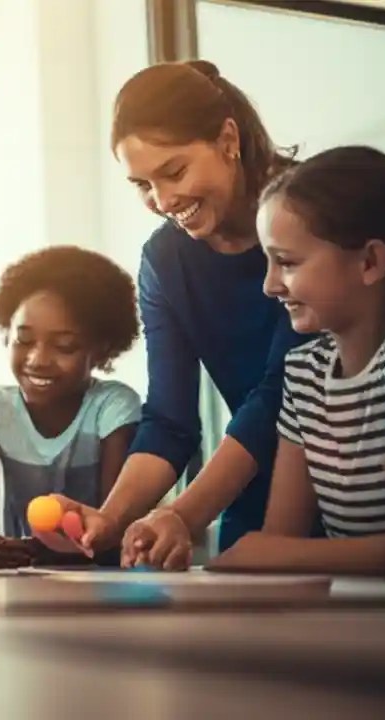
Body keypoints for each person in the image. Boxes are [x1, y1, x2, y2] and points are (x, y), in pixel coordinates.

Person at [54, 60, 313, 570]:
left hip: (352, 494)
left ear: (228, 139)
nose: (163, 200)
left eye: (173, 172)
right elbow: (170, 421)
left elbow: (283, 393)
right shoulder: (165, 261)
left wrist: (183, 513)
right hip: (250, 499)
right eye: (142, 184)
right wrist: (111, 519)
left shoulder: (310, 213)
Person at [207, 146, 385, 575]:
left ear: (370, 262)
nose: (270, 286)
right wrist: (270, 551)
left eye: (287, 263)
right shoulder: (304, 372)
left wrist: (271, 552)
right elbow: (282, 537)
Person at [0, 247, 141, 568]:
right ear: (6, 335)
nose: (38, 360)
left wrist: (34, 552)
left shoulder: (114, 407)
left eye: (64, 346)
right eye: (24, 341)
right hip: (23, 583)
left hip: (100, 583)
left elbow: (114, 533)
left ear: (102, 350)